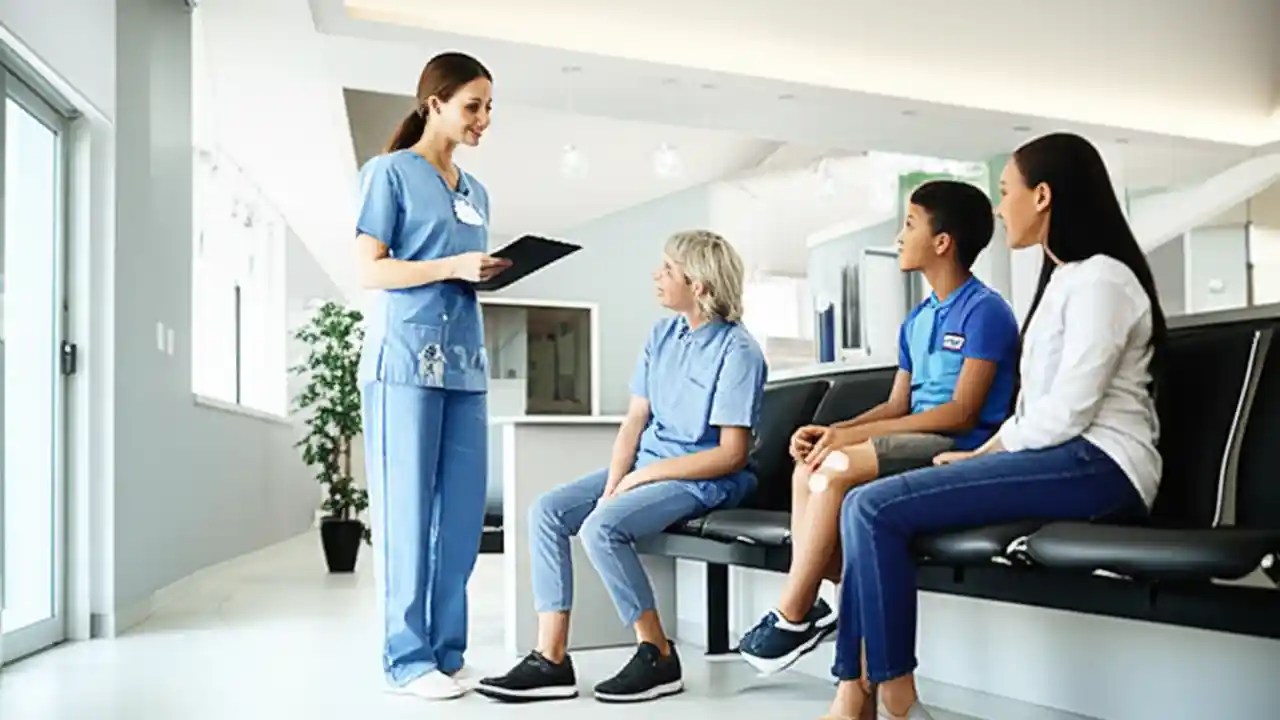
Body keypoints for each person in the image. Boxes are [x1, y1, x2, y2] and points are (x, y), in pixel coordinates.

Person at [821, 132, 1167, 720]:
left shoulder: (1104, 279)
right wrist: (985, 456)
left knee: (871, 508)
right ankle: (860, 697)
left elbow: (1070, 412)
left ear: (1043, 196)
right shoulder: (1065, 279)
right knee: (864, 503)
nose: (1000, 207)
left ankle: (891, 702)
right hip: (1064, 456)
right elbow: (1037, 410)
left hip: (1102, 466)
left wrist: (989, 455)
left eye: (1007, 192)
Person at [739, 181, 1020, 676]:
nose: (898, 236)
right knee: (812, 466)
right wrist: (831, 428)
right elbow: (896, 403)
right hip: (914, 438)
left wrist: (845, 442)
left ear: (942, 241)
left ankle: (794, 612)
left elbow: (961, 413)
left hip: (963, 448)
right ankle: (817, 604)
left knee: (836, 466)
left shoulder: (987, 311)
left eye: (910, 224)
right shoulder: (916, 320)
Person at [475, 231, 768, 704]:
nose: (657, 275)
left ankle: (658, 652)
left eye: (668, 269)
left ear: (701, 286)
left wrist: (642, 478)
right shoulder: (662, 334)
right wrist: (616, 482)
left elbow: (731, 454)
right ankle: (551, 658)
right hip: (650, 466)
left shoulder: (738, 352)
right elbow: (635, 420)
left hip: (707, 478)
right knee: (547, 510)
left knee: (600, 528)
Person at [354, 52, 512, 702]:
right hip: (405, 369)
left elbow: (463, 271)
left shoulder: (477, 193)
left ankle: (447, 652)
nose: (483, 119)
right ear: (435, 103)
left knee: (460, 517)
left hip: (465, 367)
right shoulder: (388, 173)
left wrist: (487, 270)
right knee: (407, 514)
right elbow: (373, 269)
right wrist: (450, 266)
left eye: (489, 108)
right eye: (473, 105)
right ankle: (406, 657)